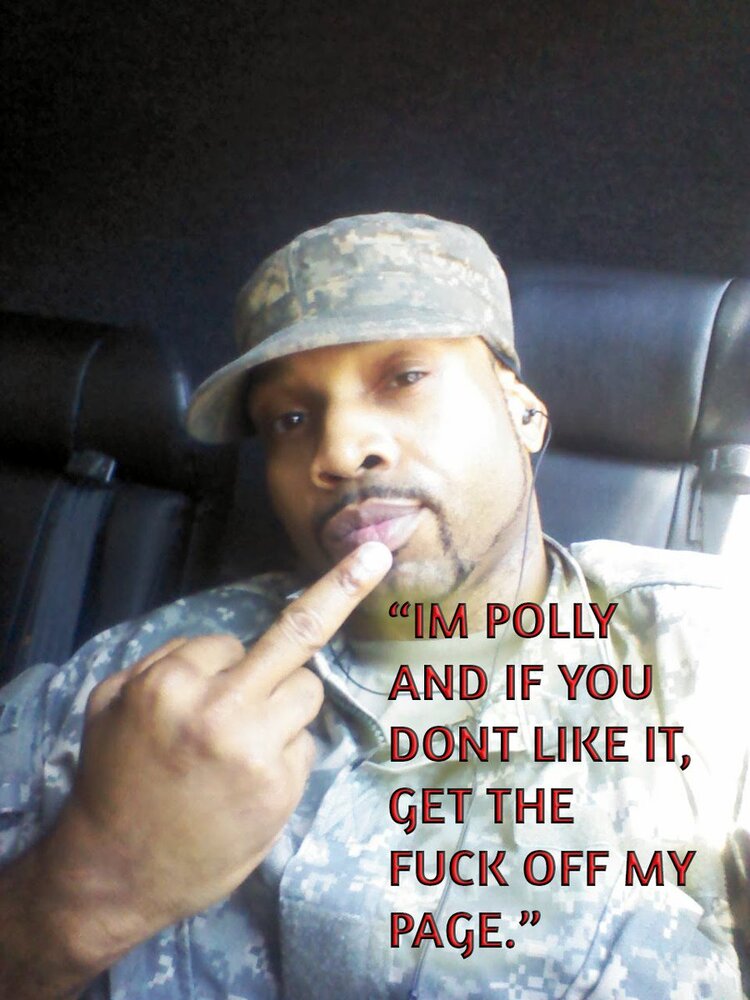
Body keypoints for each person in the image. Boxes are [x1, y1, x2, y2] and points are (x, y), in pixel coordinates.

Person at [0, 213, 747, 999]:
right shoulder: (148, 681)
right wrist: (92, 888)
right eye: (290, 420)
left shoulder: (710, 657)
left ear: (523, 412)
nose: (337, 451)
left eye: (404, 378)